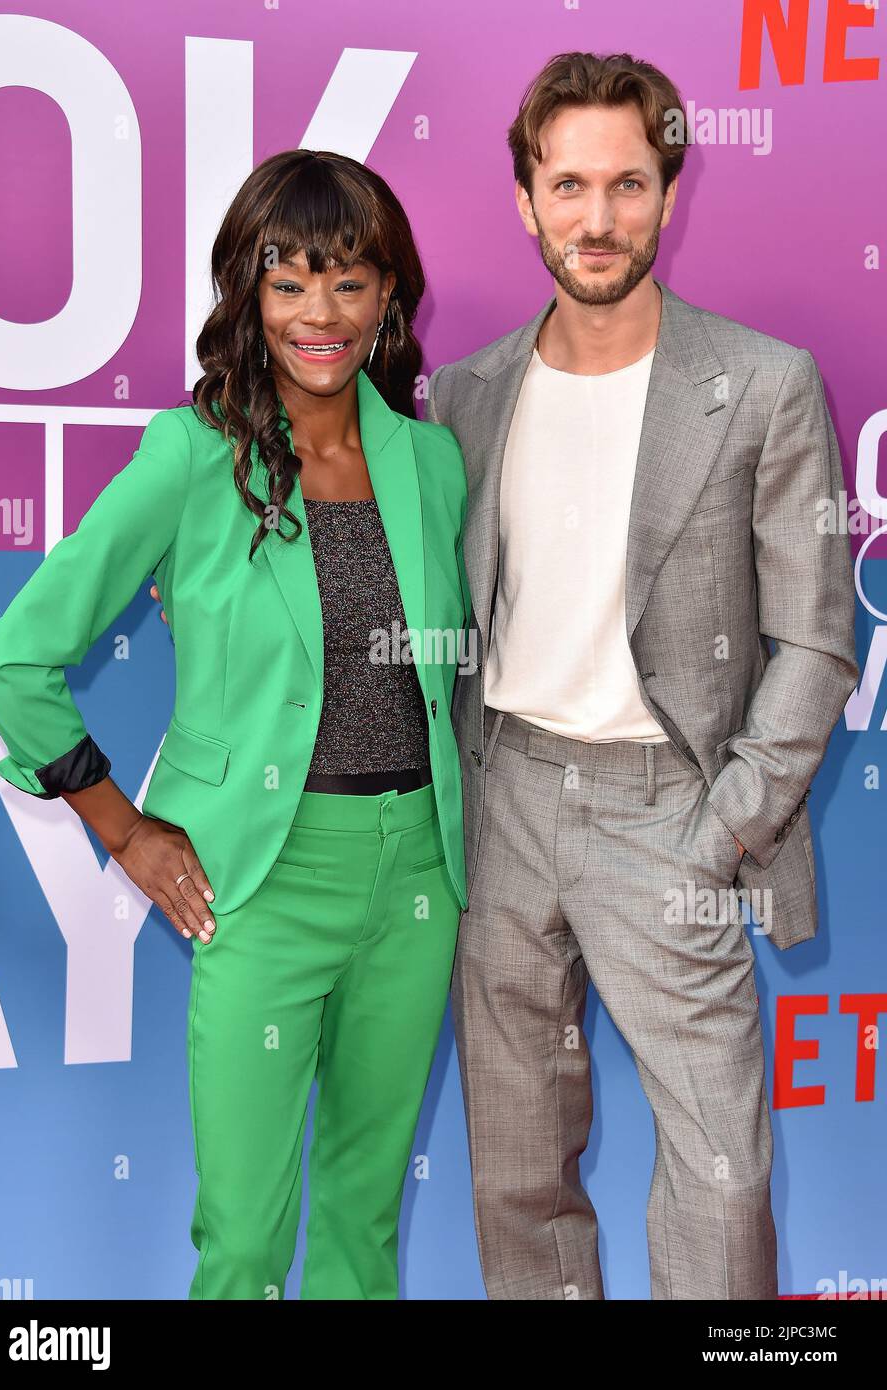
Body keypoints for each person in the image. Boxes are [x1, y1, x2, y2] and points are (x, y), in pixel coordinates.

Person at [0, 149, 471, 1300]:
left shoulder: (430, 461)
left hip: (419, 881)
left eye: (350, 280)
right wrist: (124, 826)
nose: (320, 313)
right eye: (286, 279)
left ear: (390, 294)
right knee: (242, 1243)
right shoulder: (192, 456)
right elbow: (13, 660)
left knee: (363, 1227)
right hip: (259, 881)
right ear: (245, 293)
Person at [425, 52, 859, 1299]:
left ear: (669, 189)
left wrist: (721, 829)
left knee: (721, 1172)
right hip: (500, 796)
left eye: (626, 183)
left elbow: (818, 640)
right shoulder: (464, 394)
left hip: (670, 809)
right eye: (567, 184)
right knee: (515, 1170)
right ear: (525, 198)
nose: (597, 217)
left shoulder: (764, 384)